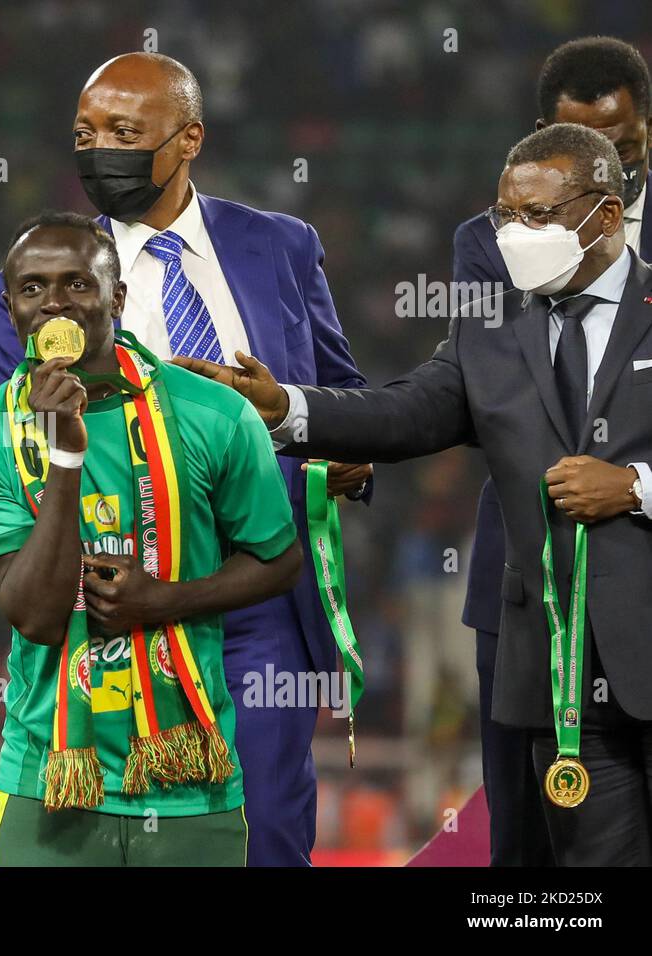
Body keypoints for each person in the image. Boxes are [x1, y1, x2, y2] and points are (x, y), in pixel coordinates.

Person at [180, 123, 652, 866]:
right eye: (503, 215)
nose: (513, 235)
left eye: (537, 216)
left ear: (603, 212)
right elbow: (403, 412)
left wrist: (637, 486)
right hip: (565, 681)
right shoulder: (494, 331)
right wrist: (285, 408)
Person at [0, 52, 372, 866]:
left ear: (188, 138)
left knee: (265, 829)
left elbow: (343, 395)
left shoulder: (282, 247)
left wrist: (341, 452)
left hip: (258, 586)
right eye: (85, 133)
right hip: (111, 600)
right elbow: (3, 425)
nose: (99, 151)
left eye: (124, 132)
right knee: (119, 835)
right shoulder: (51, 274)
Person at [0, 212, 302, 866]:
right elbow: (36, 616)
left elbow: (279, 561)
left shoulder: (216, 413)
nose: (53, 302)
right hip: (48, 781)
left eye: (77, 284)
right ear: (11, 308)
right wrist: (65, 460)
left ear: (118, 298)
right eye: (31, 288)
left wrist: (166, 599)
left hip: (191, 781)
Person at [452, 35, 651, 866]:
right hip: (532, 581)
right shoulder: (488, 241)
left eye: (629, 146)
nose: (615, 161)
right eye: (591, 145)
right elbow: (469, 386)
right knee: (530, 843)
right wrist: (310, 417)